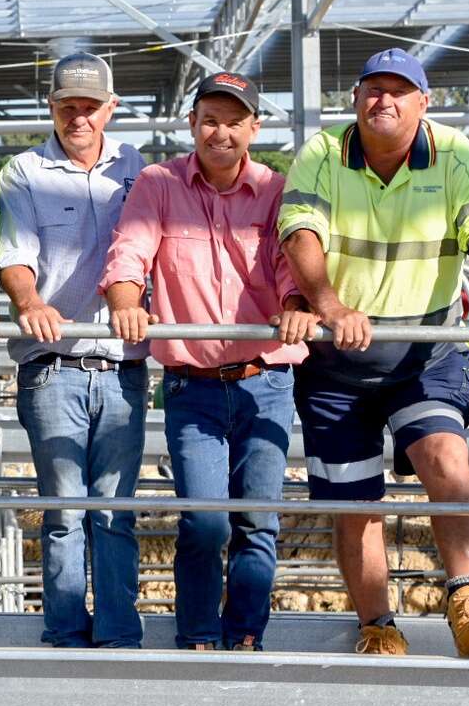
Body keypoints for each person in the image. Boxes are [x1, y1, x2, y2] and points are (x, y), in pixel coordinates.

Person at [277, 47, 469, 659]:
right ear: (355, 100)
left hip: (424, 353)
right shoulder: (324, 153)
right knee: (353, 503)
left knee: (445, 456)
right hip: (336, 363)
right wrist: (329, 305)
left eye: (400, 91)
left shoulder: (454, 155)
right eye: (374, 89)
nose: (385, 101)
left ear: (423, 103)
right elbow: (300, 231)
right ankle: (378, 626)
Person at [101, 72, 319, 651]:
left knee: (258, 519)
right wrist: (127, 301)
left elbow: (286, 260)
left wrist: (297, 303)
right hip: (191, 385)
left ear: (253, 127)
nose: (219, 132)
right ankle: (197, 632)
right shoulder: (159, 184)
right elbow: (131, 252)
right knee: (205, 518)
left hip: (266, 377)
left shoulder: (277, 190)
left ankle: (246, 632)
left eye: (232, 121)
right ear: (193, 124)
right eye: (209, 119)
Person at [0, 52, 150, 648]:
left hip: (121, 365)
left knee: (114, 507)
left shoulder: (137, 169)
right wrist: (30, 302)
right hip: (51, 365)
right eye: (68, 107)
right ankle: (64, 630)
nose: (78, 118)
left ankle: (118, 633)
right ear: (52, 108)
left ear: (111, 108)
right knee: (64, 509)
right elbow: (15, 254)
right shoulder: (25, 171)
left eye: (90, 107)